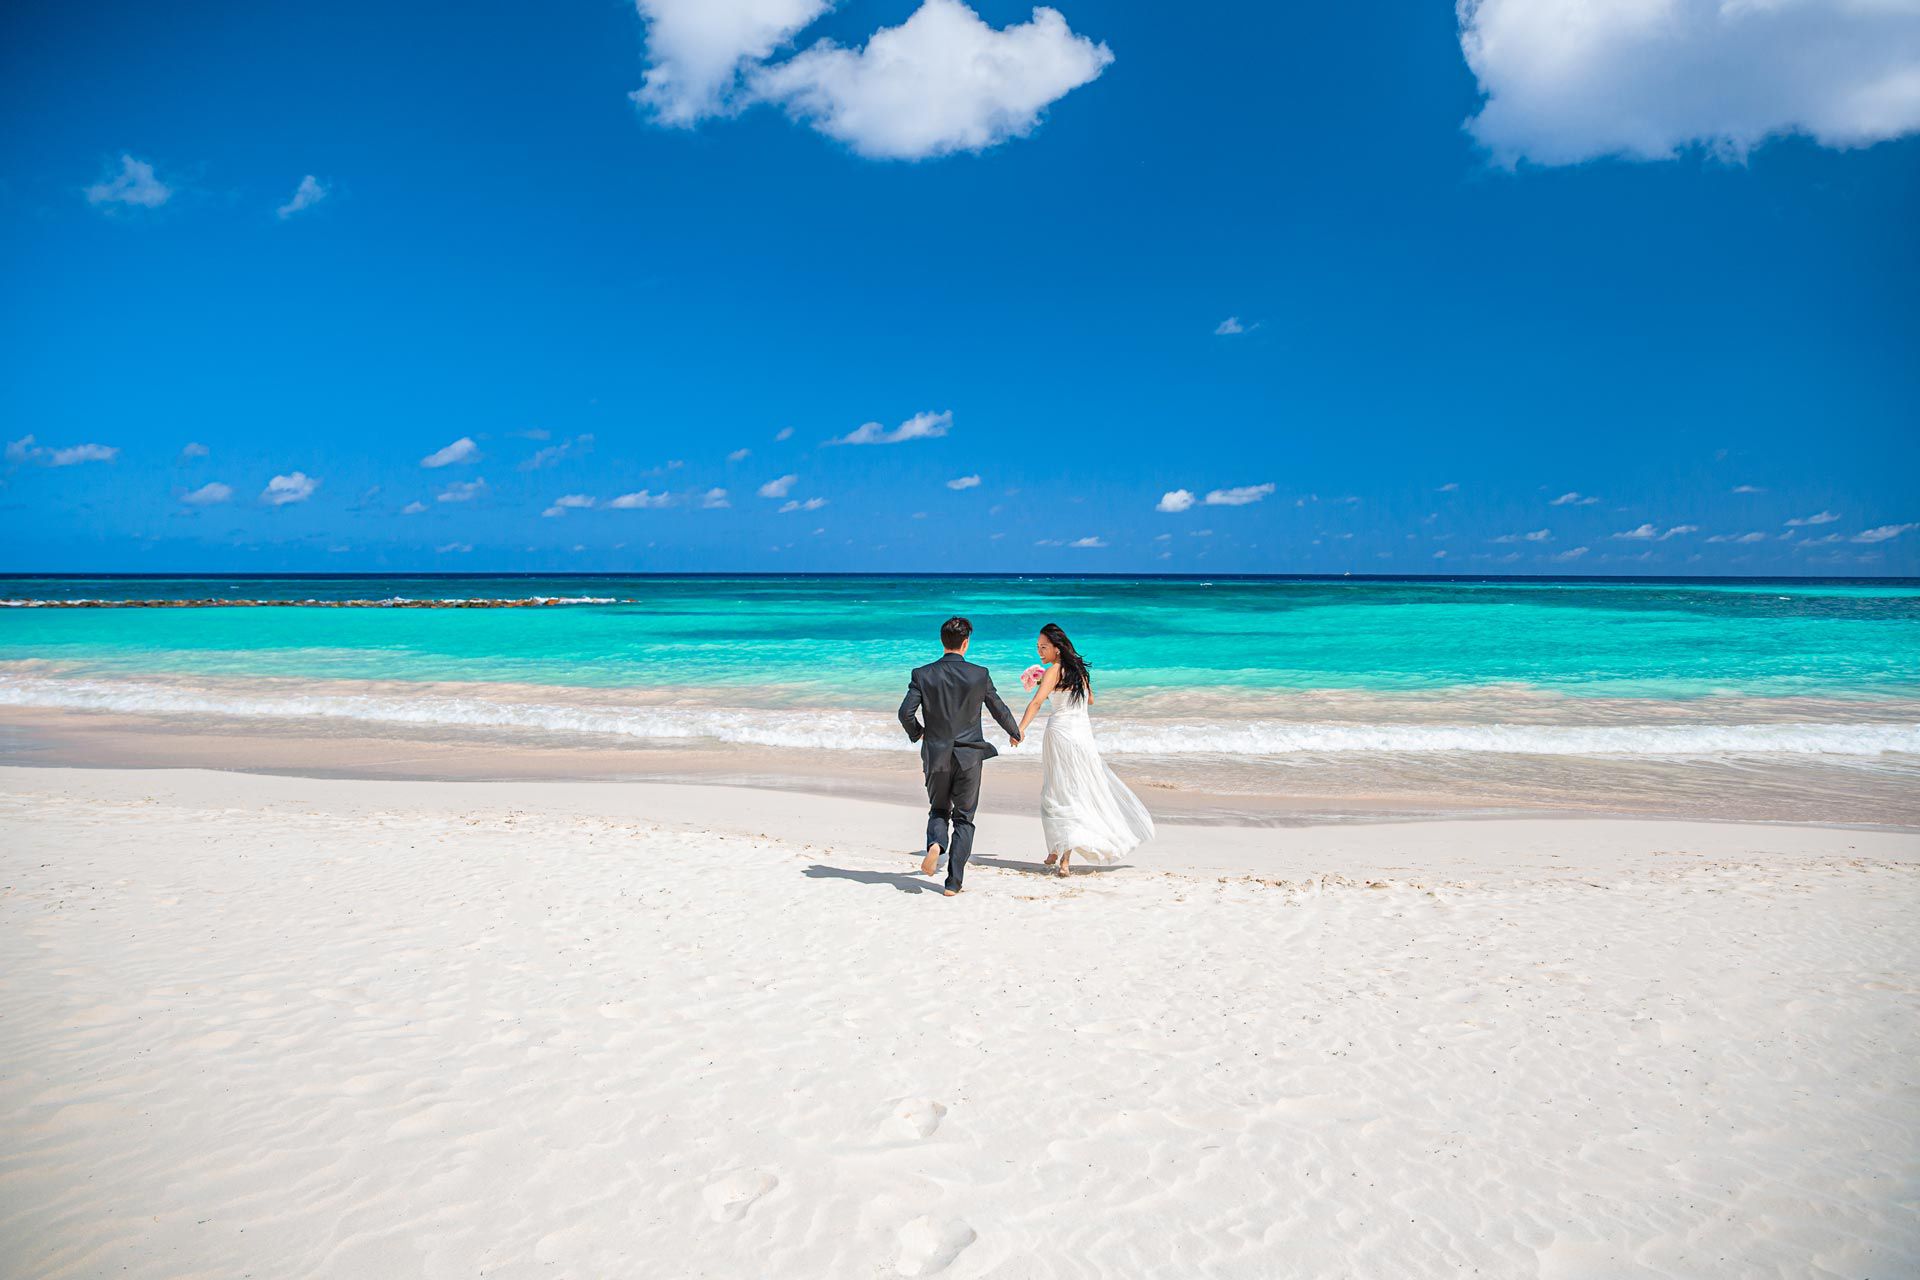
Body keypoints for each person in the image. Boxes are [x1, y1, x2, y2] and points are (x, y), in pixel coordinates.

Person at [1015, 623, 1155, 876]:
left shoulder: (1053, 671)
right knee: (1075, 790)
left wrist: (1021, 729)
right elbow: (1088, 700)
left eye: (1043, 647)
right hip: (1082, 736)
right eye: (1037, 647)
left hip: (1060, 734)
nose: (1039, 652)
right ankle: (1058, 851)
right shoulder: (1079, 671)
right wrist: (1051, 686)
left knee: (1058, 791)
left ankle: (1062, 856)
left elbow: (1036, 703)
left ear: (1057, 649)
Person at [897, 616, 1023, 897]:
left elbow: (905, 713)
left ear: (943, 642)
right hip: (968, 757)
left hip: (936, 755)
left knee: (939, 809)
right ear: (966, 643)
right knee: (964, 818)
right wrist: (1013, 731)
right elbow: (997, 707)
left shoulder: (922, 674)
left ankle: (935, 845)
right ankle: (953, 883)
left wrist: (919, 733)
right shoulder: (979, 674)